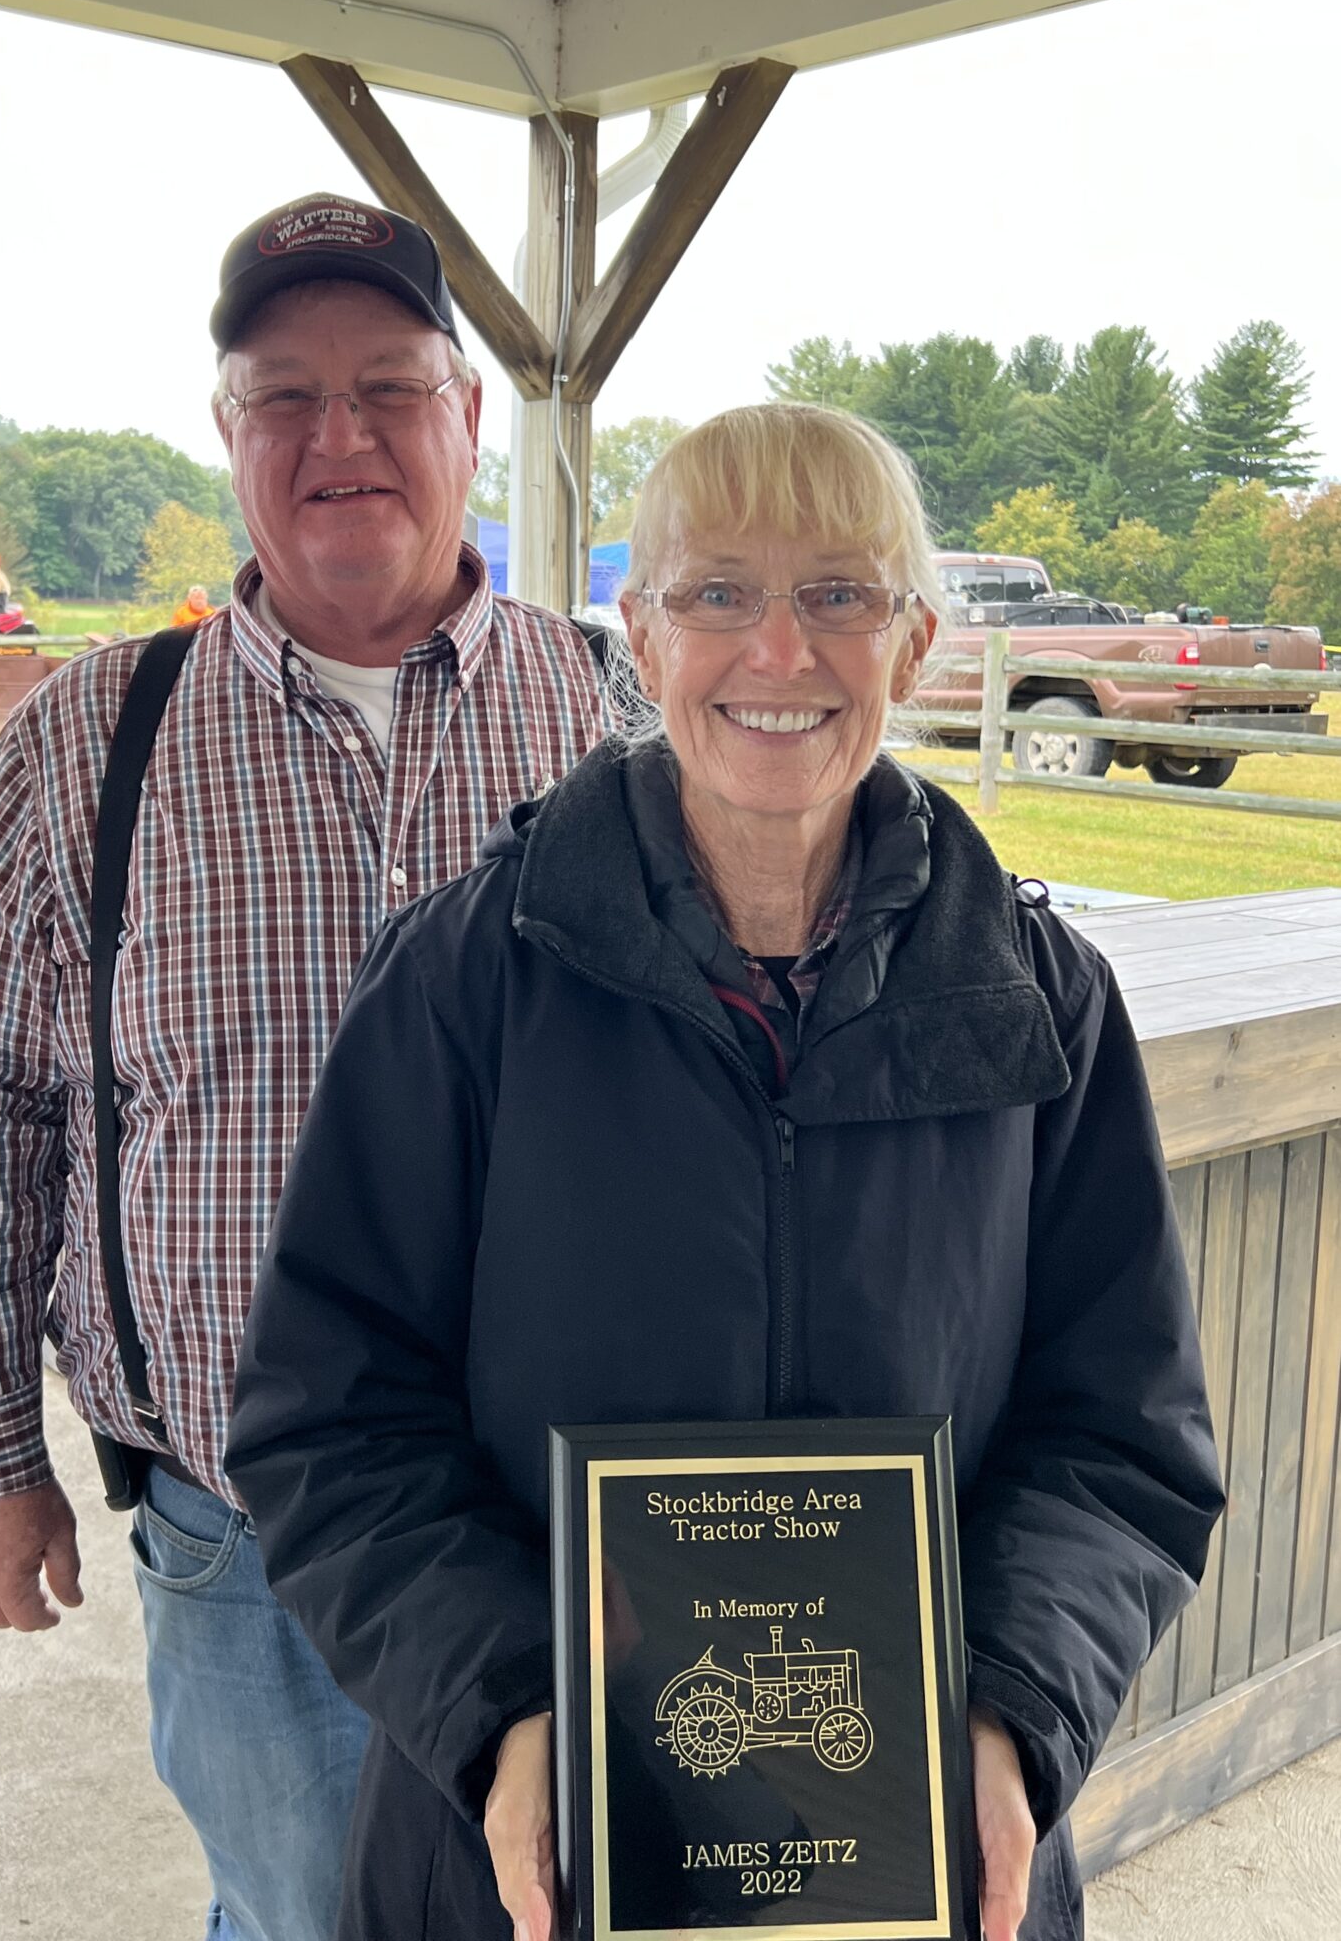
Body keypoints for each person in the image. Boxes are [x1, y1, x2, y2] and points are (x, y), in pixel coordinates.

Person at [226, 403, 1225, 1941]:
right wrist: (506, 1708)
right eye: (717, 595)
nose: (779, 653)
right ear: (640, 630)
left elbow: (1122, 1437)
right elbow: (330, 1418)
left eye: (840, 593)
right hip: (528, 1855)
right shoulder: (466, 979)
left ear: (917, 642)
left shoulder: (1038, 1003)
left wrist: (1015, 1710)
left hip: (919, 1848)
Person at [0, 192, 606, 1941]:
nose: (340, 436)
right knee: (298, 1916)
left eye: (392, 386)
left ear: (472, 417)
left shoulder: (617, 712)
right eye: (284, 396)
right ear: (228, 435)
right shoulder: (86, 746)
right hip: (246, 1540)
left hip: (574, 1523)